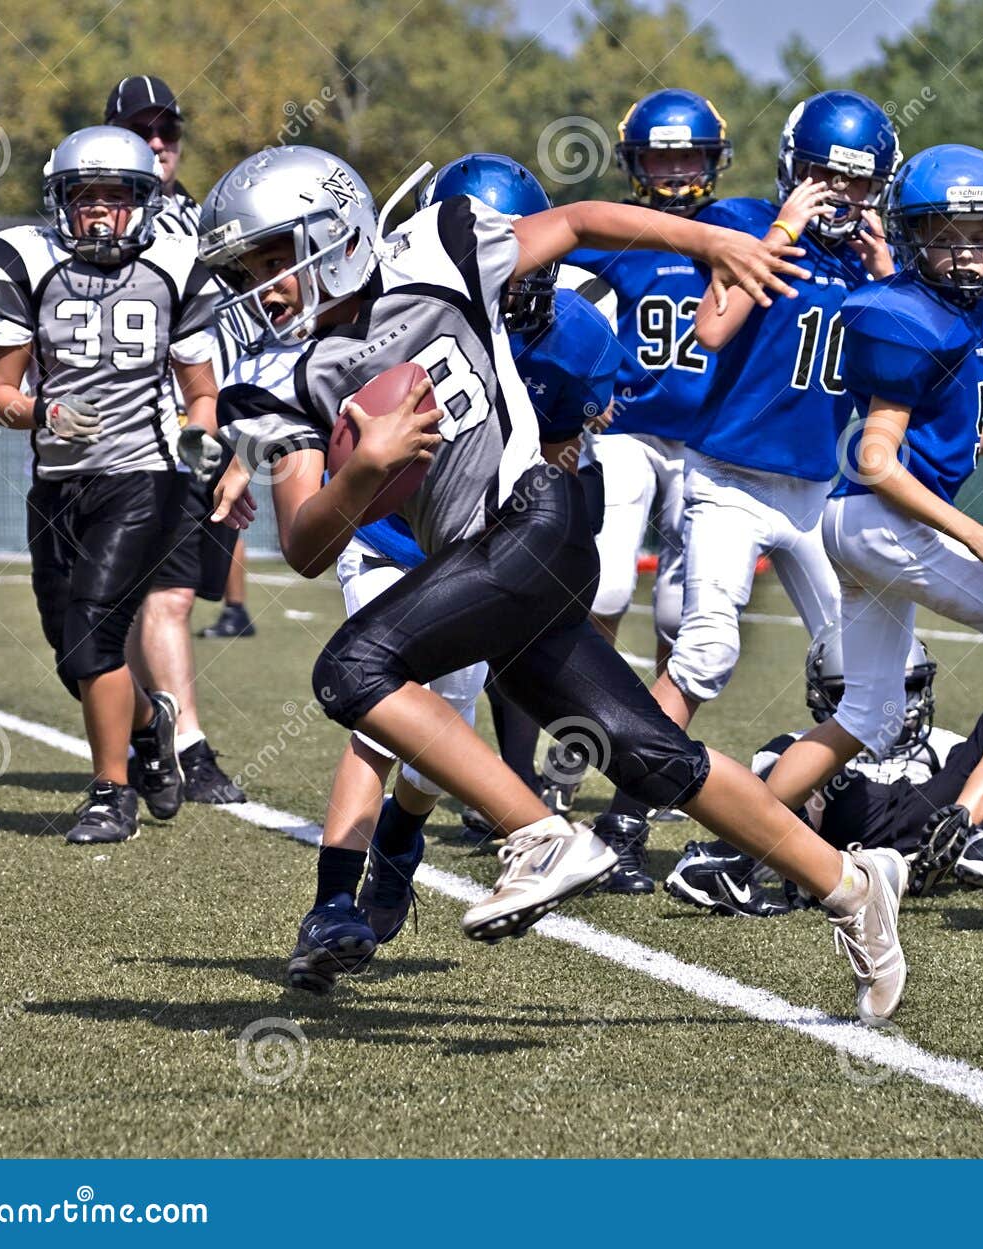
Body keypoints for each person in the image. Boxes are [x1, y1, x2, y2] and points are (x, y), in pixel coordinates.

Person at [200, 145, 910, 1023]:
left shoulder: (438, 246)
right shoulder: (280, 376)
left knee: (353, 670)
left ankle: (538, 832)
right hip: (484, 569)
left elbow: (578, 222)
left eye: (274, 259)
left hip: (534, 519)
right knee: (654, 760)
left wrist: (710, 245)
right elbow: (307, 542)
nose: (263, 288)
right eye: (248, 270)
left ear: (334, 231)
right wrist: (361, 474)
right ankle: (850, 884)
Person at [285, 153, 622, 991]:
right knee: (378, 706)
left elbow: (553, 444)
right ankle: (332, 902)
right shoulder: (389, 299)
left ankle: (403, 833)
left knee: (446, 723)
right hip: (386, 540)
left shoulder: (574, 335)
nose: (512, 281)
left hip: (478, 542)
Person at [760, 143, 983, 895]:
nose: (968, 254)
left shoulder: (972, 314)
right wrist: (972, 532)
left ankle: (743, 840)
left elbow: (942, 426)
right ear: (914, 239)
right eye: (947, 237)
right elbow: (878, 457)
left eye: (982, 236)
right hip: (877, 517)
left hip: (859, 525)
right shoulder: (907, 316)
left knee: (870, 714)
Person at [629, 91, 899, 879]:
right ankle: (621, 811)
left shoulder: (869, 265)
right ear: (793, 171)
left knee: (863, 666)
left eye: (858, 182)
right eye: (824, 176)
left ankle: (812, 800)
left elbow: (904, 373)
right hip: (728, 480)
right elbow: (712, 330)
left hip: (813, 492)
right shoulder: (752, 224)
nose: (841, 196)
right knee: (706, 650)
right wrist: (781, 229)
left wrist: (886, 273)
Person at [0, 126, 220, 842]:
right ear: (62, 203)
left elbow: (199, 394)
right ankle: (151, 725)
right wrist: (39, 411)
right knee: (70, 650)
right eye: (86, 198)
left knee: (90, 636)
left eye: (116, 197)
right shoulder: (32, 266)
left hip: (141, 477)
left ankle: (112, 795)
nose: (101, 212)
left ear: (143, 201)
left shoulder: (175, 271)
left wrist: (201, 439)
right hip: (56, 483)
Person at [543, 88, 734, 819]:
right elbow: (560, 316)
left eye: (690, 155)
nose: (678, 171)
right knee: (610, 588)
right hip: (625, 433)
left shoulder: (739, 227)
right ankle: (569, 745)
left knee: (685, 616)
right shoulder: (613, 235)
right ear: (634, 162)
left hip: (710, 445)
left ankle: (658, 755)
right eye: (662, 155)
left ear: (714, 159)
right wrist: (591, 389)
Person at [669, 625, 983, 916]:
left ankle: (959, 830)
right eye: (859, 693)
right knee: (787, 769)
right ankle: (753, 863)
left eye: (908, 688)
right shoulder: (800, 747)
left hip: (924, 819)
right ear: (825, 697)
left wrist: (965, 806)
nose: (901, 704)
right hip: (841, 827)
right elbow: (770, 789)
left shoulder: (940, 747)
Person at [106, 73, 249, 802]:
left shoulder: (203, 216)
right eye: (141, 130)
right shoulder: (107, 225)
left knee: (164, 596)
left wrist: (236, 445)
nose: (158, 142)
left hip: (206, 427)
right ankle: (187, 745)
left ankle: (144, 735)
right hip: (146, 436)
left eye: (168, 130)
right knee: (168, 597)